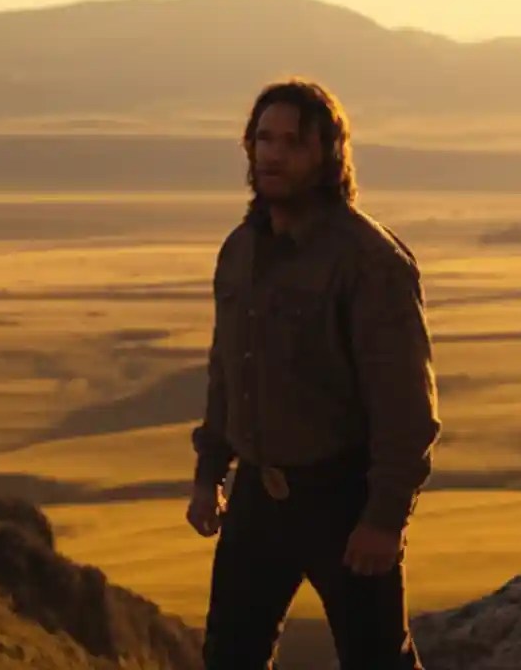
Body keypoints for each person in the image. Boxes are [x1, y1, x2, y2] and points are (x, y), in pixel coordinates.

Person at [185, 78, 440, 670]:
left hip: (342, 496)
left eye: (292, 143)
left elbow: (405, 405)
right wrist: (209, 473)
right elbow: (228, 370)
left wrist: (383, 518)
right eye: (263, 139)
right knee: (229, 655)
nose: (272, 155)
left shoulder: (368, 260)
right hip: (258, 494)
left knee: (377, 658)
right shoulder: (240, 251)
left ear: (328, 155)